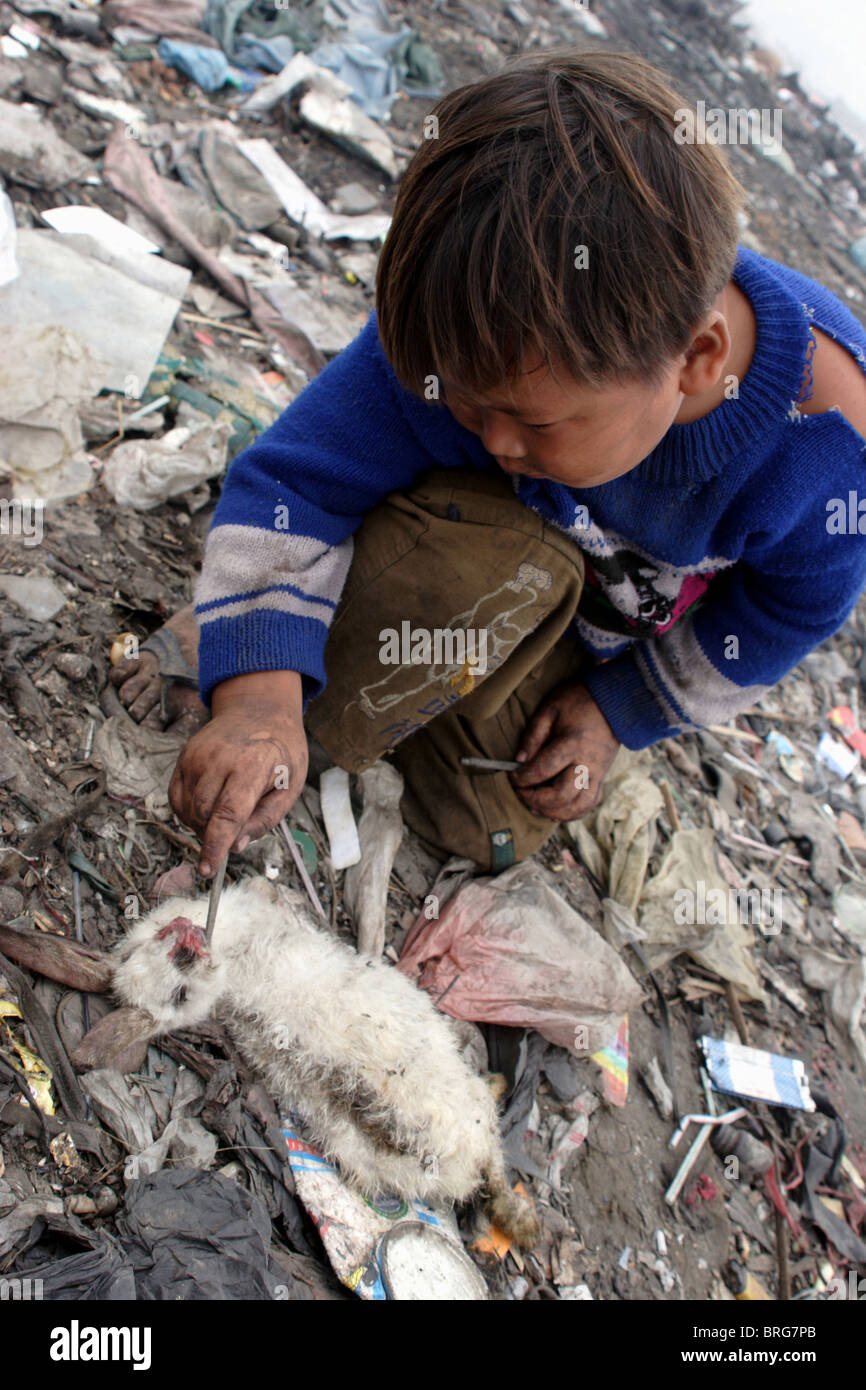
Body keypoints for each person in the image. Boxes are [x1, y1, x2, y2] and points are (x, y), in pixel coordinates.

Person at [112, 48, 866, 878]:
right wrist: (258, 698)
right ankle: (255, 649)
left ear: (695, 358)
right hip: (472, 554)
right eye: (469, 405)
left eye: (529, 420)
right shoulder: (477, 315)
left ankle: (329, 664)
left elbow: (783, 618)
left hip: (585, 631)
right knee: (481, 575)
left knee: (494, 829)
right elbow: (293, 480)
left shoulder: (832, 452)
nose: (494, 440)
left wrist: (619, 713)